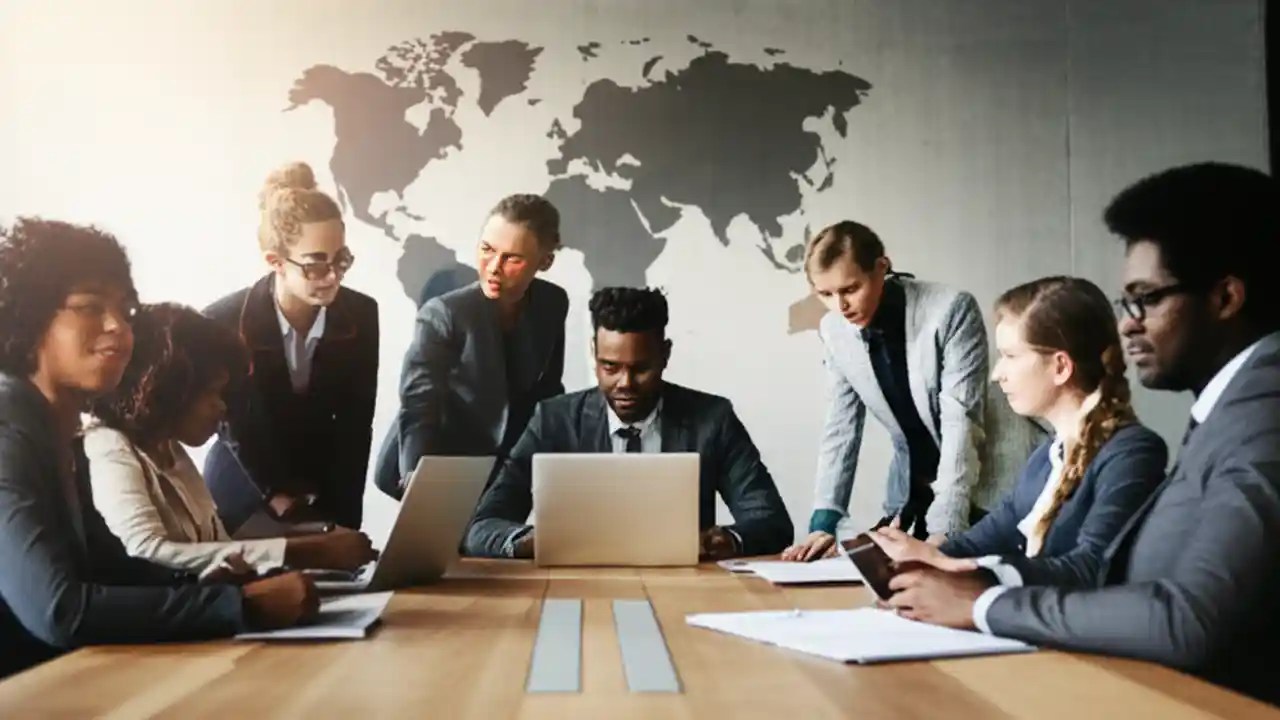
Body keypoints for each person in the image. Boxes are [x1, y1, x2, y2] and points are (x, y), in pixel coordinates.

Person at [877, 163, 1280, 705]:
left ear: (1226, 297)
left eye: (1146, 298)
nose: (1129, 324)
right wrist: (944, 565)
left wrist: (979, 605)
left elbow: (1185, 616)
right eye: (1124, 304)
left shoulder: (1263, 414)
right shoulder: (1230, 407)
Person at [0, 219, 315, 679]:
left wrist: (205, 582)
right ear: (29, 318)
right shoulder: (10, 422)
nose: (118, 328)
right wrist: (241, 605)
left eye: (126, 311)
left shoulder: (57, 428)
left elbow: (109, 571)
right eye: (89, 307)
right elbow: (60, 608)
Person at [869, 277, 1166, 586]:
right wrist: (921, 554)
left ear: (1060, 367)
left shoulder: (1132, 454)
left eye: (1010, 356)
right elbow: (974, 544)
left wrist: (963, 567)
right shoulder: (1045, 458)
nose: (997, 375)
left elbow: (1091, 569)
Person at [465, 287, 792, 560]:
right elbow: (482, 526)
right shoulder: (553, 420)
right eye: (610, 367)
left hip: (685, 590)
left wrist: (724, 540)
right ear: (594, 354)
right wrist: (534, 541)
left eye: (641, 368)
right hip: (573, 588)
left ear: (665, 355)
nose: (625, 383)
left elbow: (772, 523)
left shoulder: (712, 419)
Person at [85, 304, 378, 578]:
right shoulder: (108, 447)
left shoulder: (171, 451)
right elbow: (146, 553)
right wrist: (308, 552)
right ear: (172, 390)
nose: (222, 407)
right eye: (212, 392)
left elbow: (220, 552)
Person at [782, 221, 988, 560]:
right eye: (826, 294)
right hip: (908, 495)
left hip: (981, 486)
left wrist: (945, 530)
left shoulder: (950, 310)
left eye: (850, 289)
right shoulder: (835, 329)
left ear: (881, 268)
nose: (840, 306)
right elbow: (841, 427)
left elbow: (960, 422)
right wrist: (824, 522)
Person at [204, 162, 379, 532]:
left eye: (341, 260)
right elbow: (231, 422)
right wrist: (273, 494)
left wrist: (346, 524)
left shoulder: (361, 313)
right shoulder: (224, 319)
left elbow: (355, 427)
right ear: (276, 262)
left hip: (318, 491)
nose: (332, 276)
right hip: (244, 486)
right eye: (316, 265)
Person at [374, 194, 568, 498]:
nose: (493, 267)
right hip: (435, 460)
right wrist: (416, 474)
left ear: (545, 261)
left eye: (512, 259)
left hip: (501, 464)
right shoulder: (444, 313)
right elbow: (420, 403)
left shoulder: (553, 302)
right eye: (487, 249)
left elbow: (549, 392)